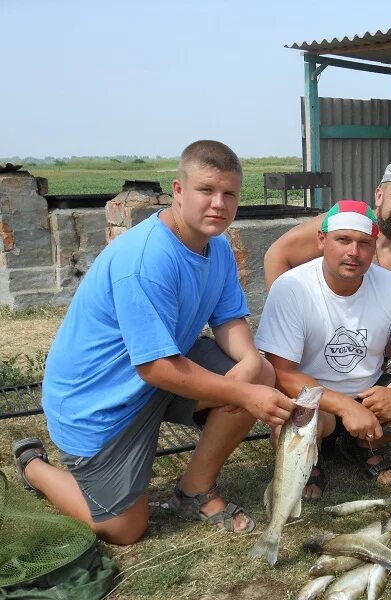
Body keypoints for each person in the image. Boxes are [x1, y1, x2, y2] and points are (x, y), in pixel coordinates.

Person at [12, 141, 294, 545]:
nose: (218, 204)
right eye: (206, 190)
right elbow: (154, 367)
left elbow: (228, 319)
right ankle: (34, 467)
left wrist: (249, 362)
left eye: (229, 193)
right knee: (124, 529)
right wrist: (242, 392)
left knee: (260, 373)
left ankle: (194, 491)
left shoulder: (216, 247)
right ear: (178, 190)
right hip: (100, 401)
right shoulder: (147, 259)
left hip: (157, 373)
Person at [255, 201, 391, 498]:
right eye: (343, 240)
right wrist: (345, 407)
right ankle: (315, 457)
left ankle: (362, 441)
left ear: (374, 247)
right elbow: (282, 373)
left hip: (368, 392)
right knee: (289, 425)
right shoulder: (291, 287)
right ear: (322, 241)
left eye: (364, 243)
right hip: (314, 398)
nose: (353, 252)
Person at [263, 164, 391, 390]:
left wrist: (379, 346)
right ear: (379, 195)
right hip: (331, 342)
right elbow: (277, 255)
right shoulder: (341, 221)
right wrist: (286, 323)